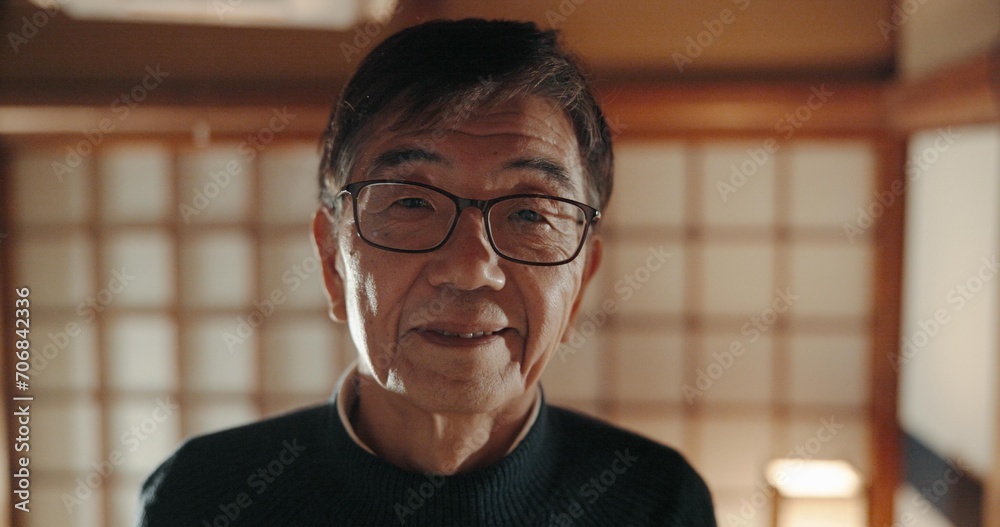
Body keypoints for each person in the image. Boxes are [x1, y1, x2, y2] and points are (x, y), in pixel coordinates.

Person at [137, 18, 716, 526]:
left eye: (528, 213)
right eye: (412, 202)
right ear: (332, 261)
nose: (470, 269)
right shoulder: (205, 495)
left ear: (583, 278)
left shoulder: (655, 501)